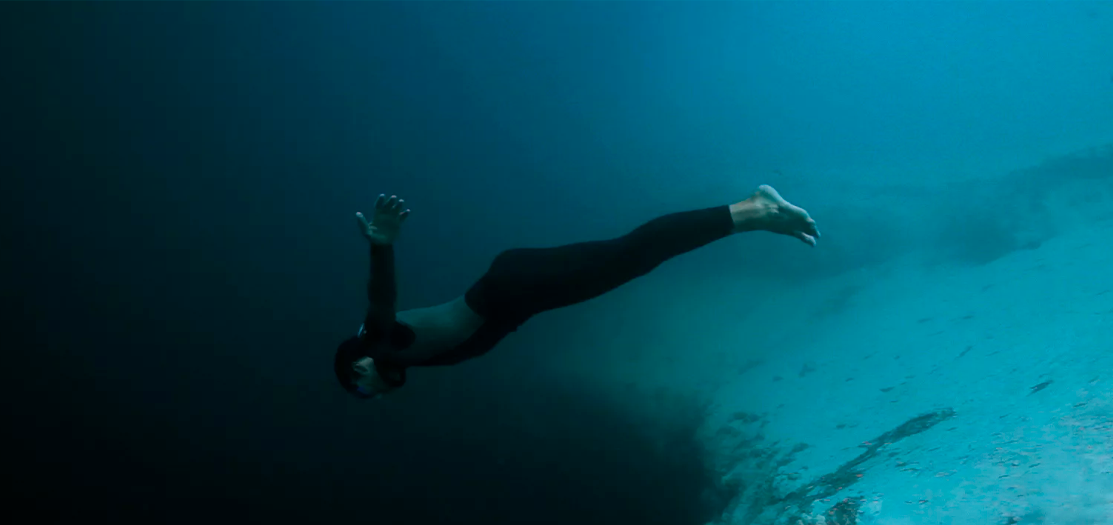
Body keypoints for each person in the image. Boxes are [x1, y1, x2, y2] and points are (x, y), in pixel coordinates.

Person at [334, 186, 820, 399]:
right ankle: (751, 215)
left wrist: (382, 247)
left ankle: (753, 210)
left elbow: (381, 301)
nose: (370, 395)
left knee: (633, 253)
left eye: (359, 391)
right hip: (520, 290)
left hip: (515, 287)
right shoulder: (399, 355)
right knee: (633, 257)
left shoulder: (377, 341)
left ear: (358, 366)